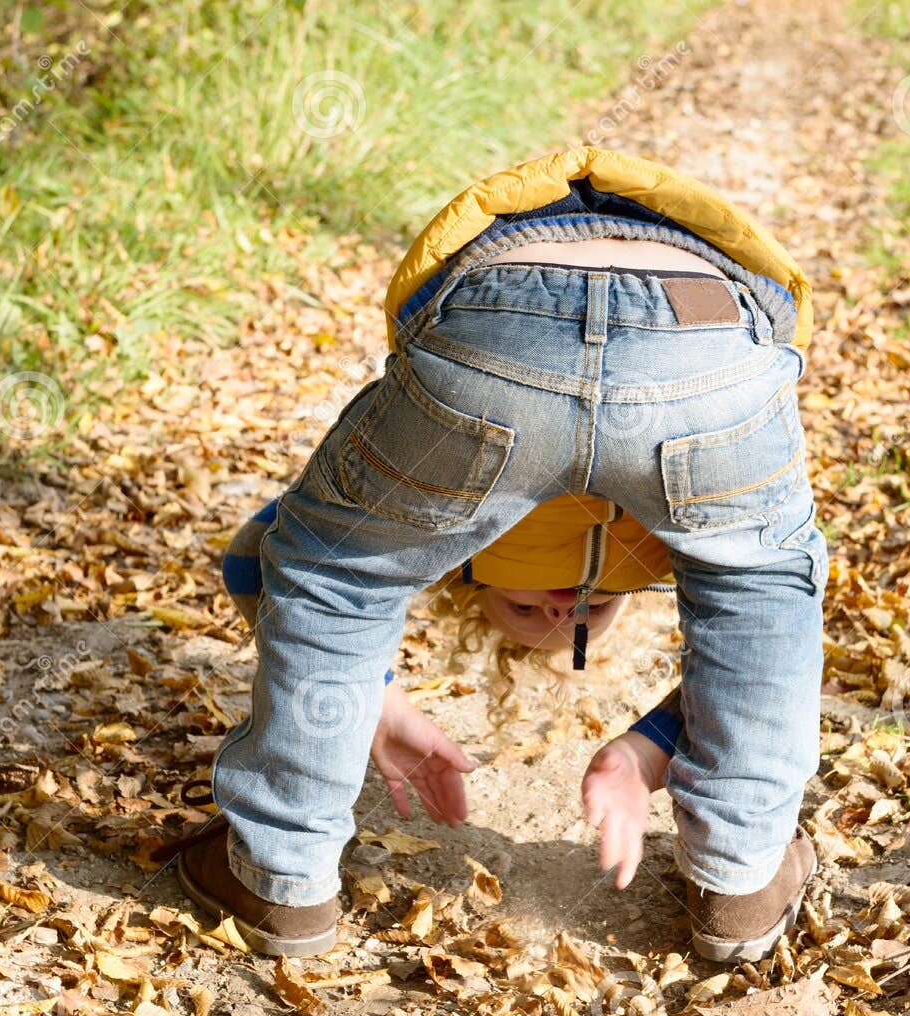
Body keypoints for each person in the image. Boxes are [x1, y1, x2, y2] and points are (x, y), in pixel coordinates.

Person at [159, 147, 827, 964]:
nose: (564, 603)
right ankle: (741, 880)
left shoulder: (463, 524)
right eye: (585, 608)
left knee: (333, 576)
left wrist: (374, 695)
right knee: (759, 597)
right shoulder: (649, 544)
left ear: (463, 570)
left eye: (545, 612)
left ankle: (279, 881)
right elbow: (758, 644)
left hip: (507, 320)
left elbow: (261, 558)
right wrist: (643, 747)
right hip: (702, 325)